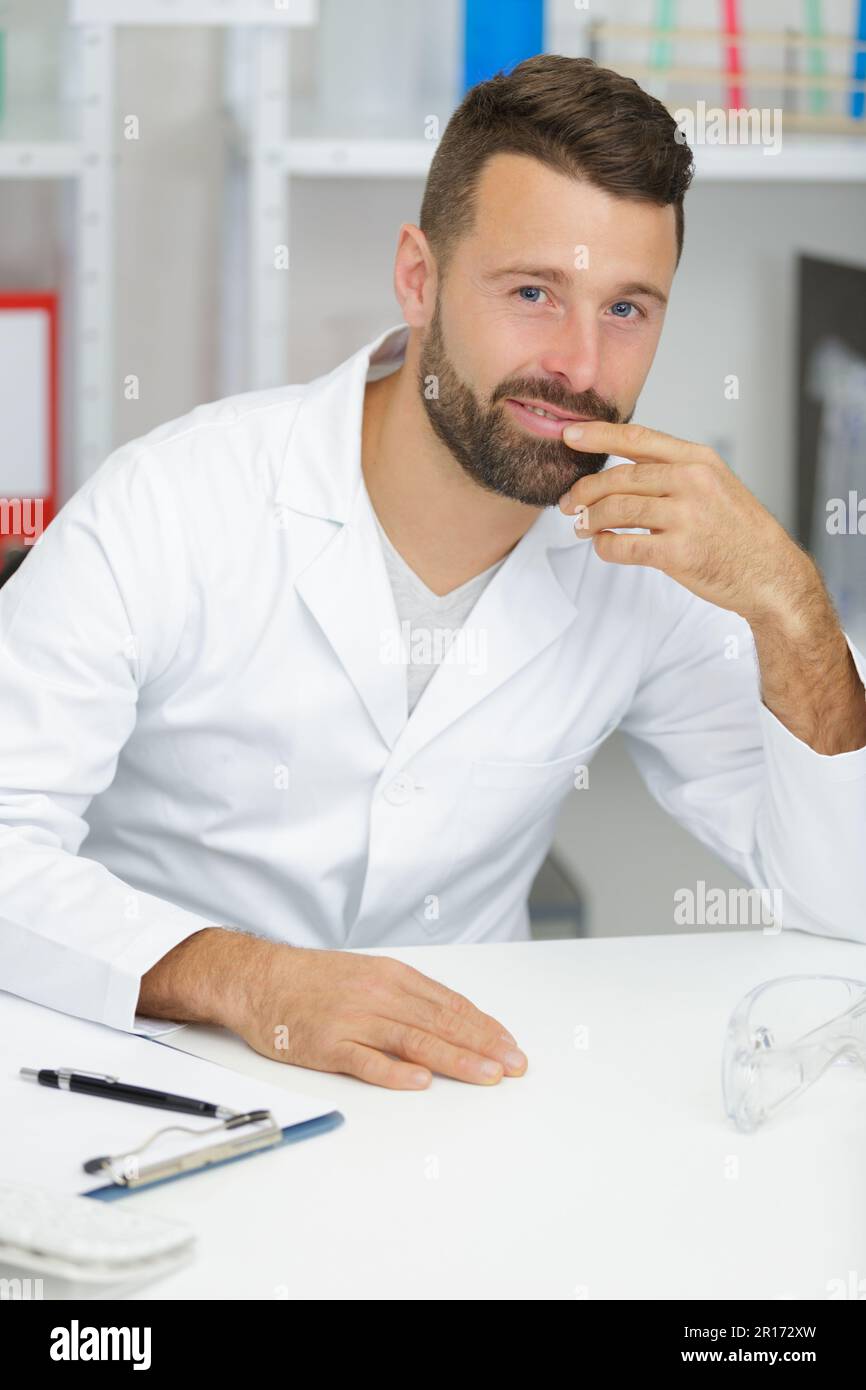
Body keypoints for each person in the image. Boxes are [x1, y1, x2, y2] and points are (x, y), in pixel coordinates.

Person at [2, 56, 865, 1093]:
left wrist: (791, 602)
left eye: (626, 309)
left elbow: (842, 904)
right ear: (418, 276)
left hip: (454, 1115)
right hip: (154, 1085)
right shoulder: (171, 503)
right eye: (533, 291)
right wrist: (246, 980)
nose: (580, 366)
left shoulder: (648, 559)